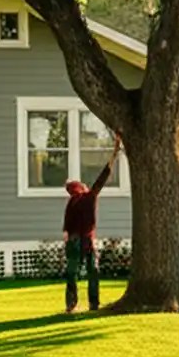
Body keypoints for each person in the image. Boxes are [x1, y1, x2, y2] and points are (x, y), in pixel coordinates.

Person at [62, 132, 123, 313]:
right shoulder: (89, 197)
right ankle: (93, 304)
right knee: (93, 272)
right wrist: (115, 152)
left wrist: (67, 237)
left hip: (74, 241)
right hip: (86, 241)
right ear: (80, 189)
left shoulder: (71, 203)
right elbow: (104, 175)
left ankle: (71, 304)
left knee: (72, 273)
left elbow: (66, 229)